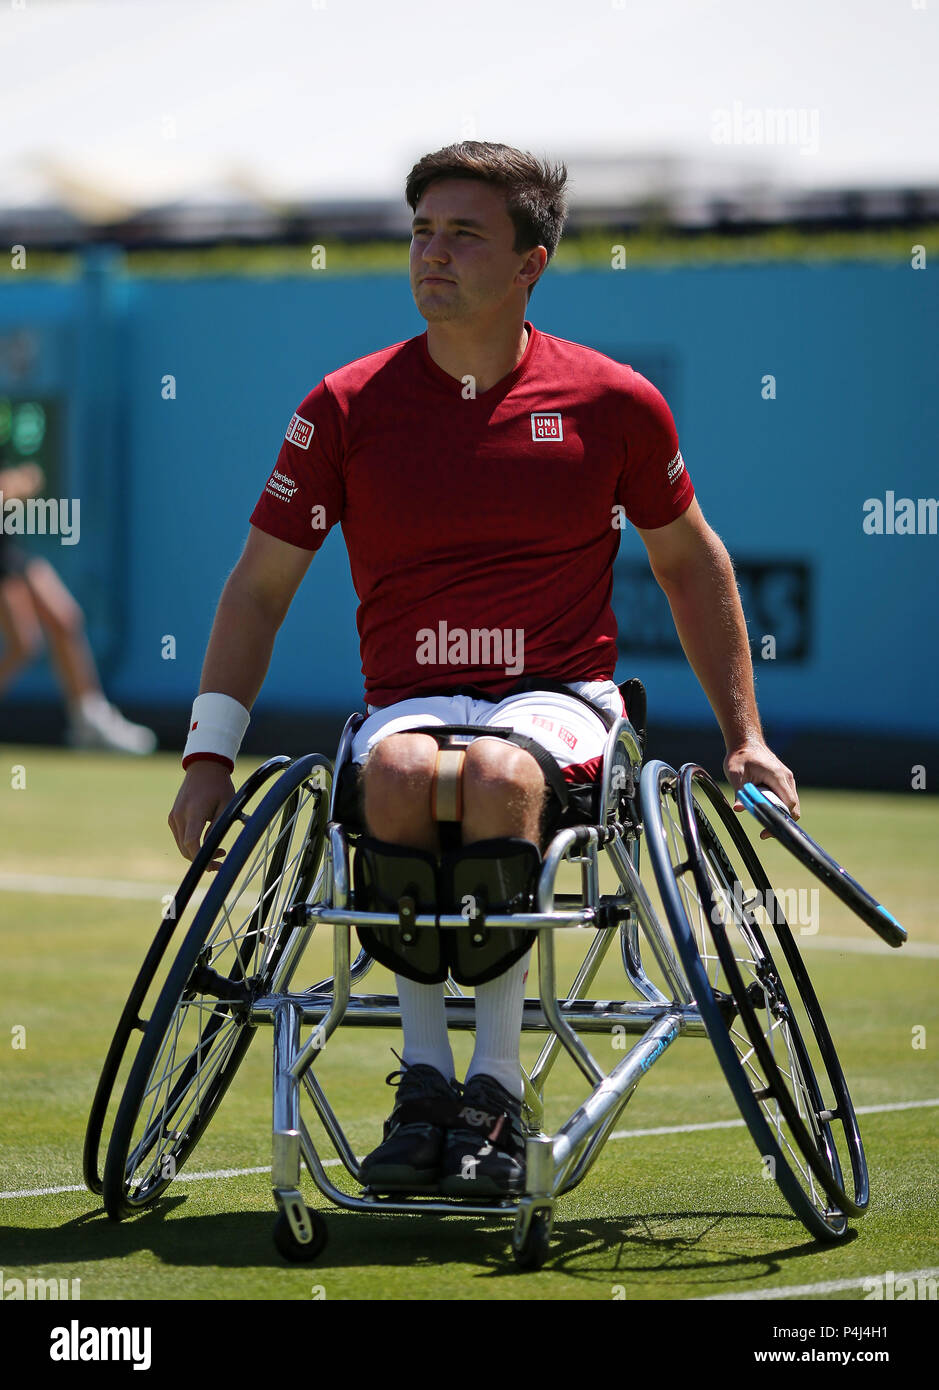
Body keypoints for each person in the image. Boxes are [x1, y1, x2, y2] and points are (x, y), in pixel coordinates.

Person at [168, 141, 800, 1198]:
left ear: (530, 263)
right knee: (409, 777)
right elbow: (258, 588)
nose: (433, 253)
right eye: (421, 230)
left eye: (464, 234)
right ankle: (424, 1087)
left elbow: (693, 565)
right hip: (409, 703)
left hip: (559, 701)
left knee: (500, 778)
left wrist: (746, 735)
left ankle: (496, 1094)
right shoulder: (344, 405)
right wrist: (206, 756)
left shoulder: (614, 403)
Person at [0, 462, 157, 754]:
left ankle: (89, 719)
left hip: (6, 542)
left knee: (65, 619)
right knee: (23, 644)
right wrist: (9, 486)